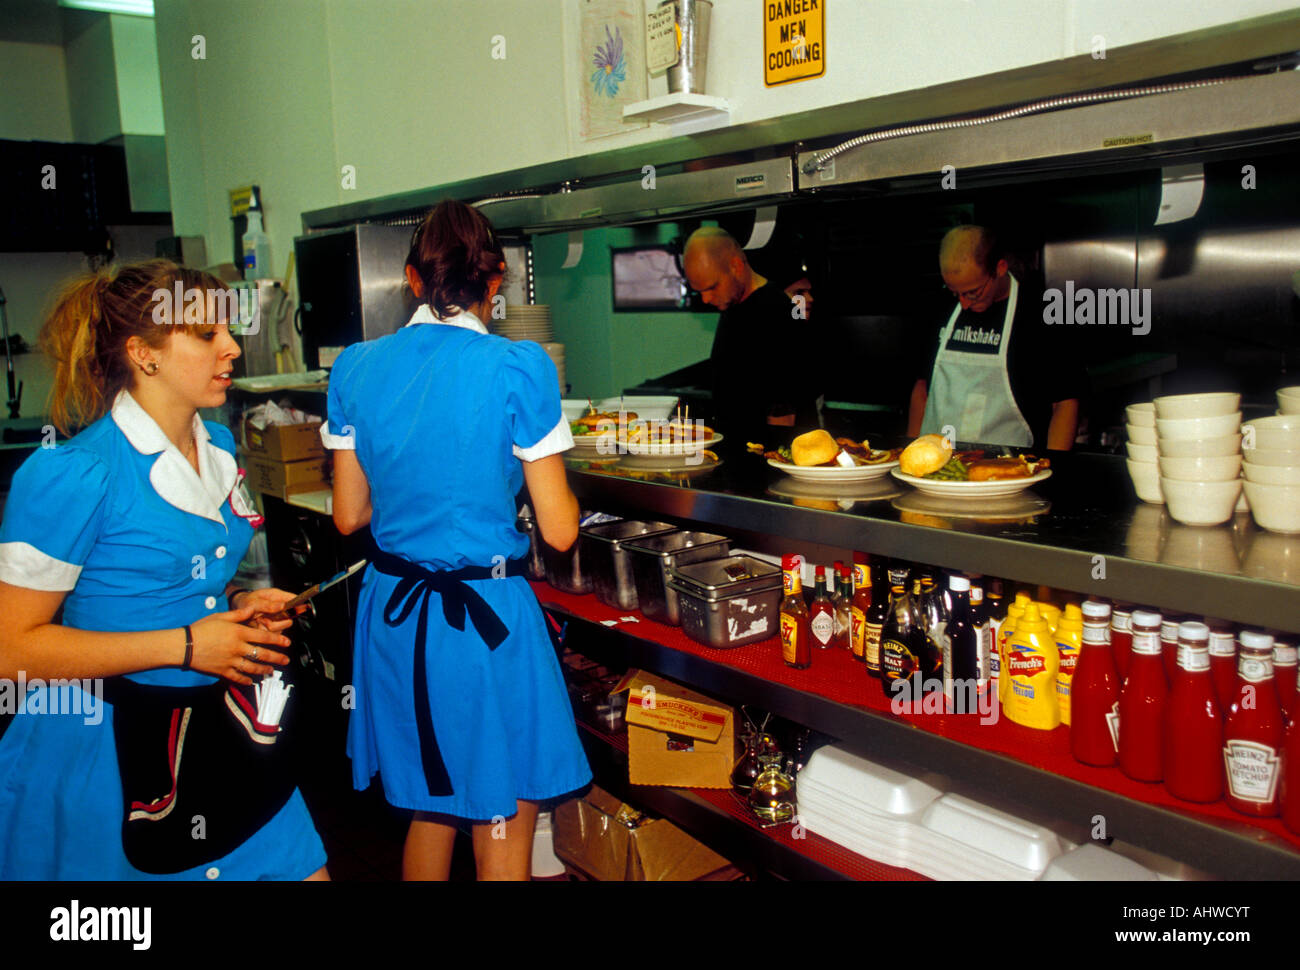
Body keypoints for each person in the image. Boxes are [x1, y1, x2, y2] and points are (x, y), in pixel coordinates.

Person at [0, 260, 328, 880]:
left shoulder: (219, 448)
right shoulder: (74, 473)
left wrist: (236, 601)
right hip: (111, 742)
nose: (231, 347)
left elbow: (183, 577)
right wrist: (186, 646)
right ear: (143, 354)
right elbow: (10, 650)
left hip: (216, 716)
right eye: (207, 335)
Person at [323, 200, 590, 881]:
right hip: (482, 621)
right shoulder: (517, 368)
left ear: (413, 280)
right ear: (494, 282)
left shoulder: (354, 367)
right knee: (502, 810)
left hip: (394, 614)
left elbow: (348, 515)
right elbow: (559, 529)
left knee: (430, 803)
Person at [907, 225, 1084, 450]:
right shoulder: (938, 307)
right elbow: (922, 388)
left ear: (1000, 268)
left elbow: (1065, 403)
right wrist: (910, 452)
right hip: (936, 468)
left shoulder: (1041, 315)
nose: (964, 303)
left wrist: (1056, 467)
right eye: (955, 292)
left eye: (973, 292)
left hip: (1009, 471)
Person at [683, 227, 821, 444]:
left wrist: (771, 463)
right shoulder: (732, 304)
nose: (706, 299)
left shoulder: (777, 311)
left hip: (770, 455)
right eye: (699, 291)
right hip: (740, 449)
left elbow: (785, 406)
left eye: (711, 287)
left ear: (736, 266)